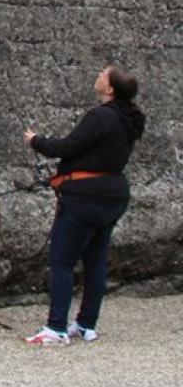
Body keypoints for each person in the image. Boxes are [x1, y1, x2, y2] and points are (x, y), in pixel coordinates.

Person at [22, 65, 146, 345]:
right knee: (96, 261)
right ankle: (86, 324)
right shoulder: (129, 119)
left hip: (85, 198)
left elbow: (68, 147)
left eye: (104, 74)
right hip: (113, 196)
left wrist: (36, 141)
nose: (98, 75)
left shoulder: (102, 116)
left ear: (110, 88)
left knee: (62, 261)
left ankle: (56, 328)